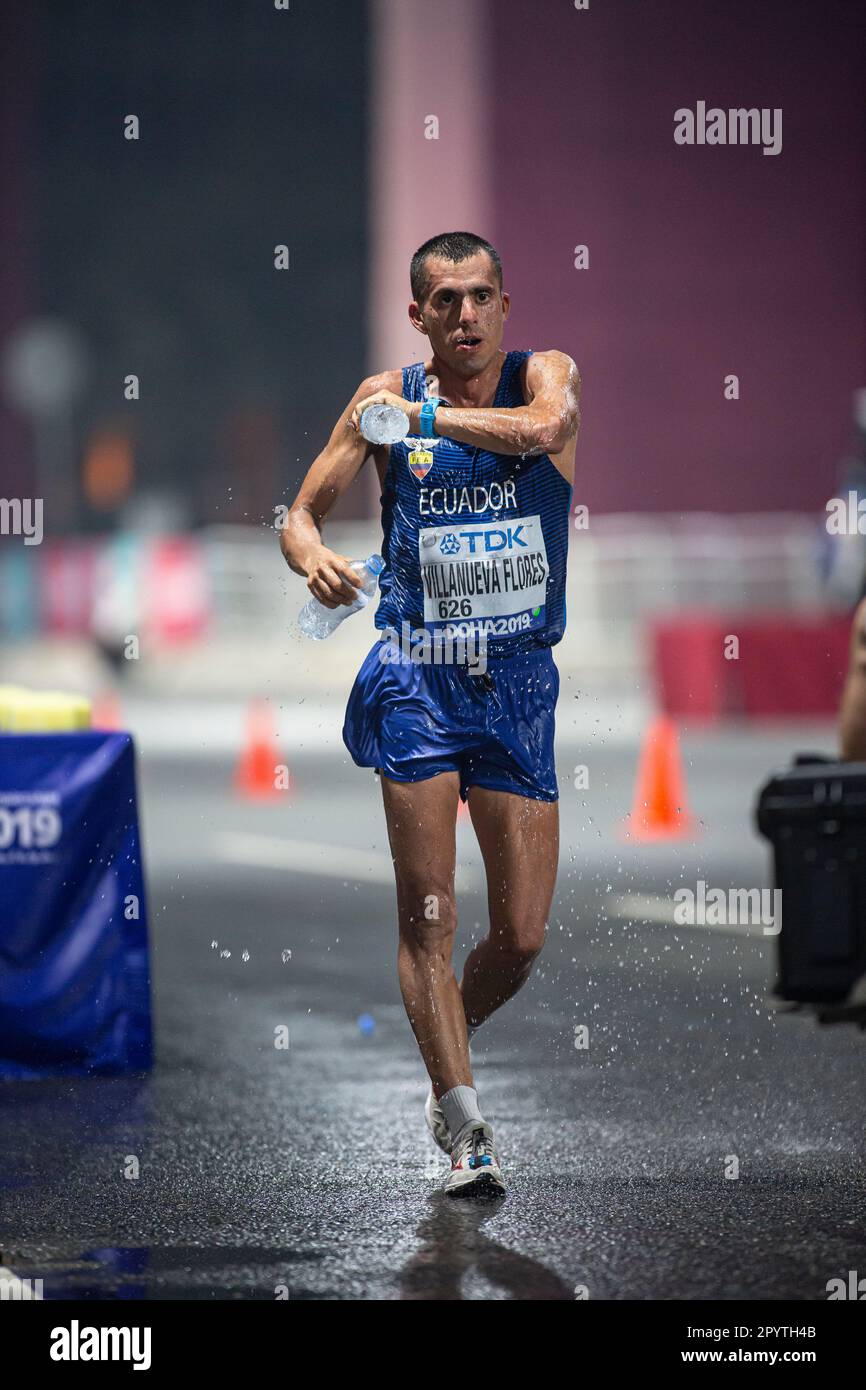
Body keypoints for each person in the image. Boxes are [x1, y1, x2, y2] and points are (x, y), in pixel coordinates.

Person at [280, 231, 580, 1198]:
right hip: (417, 674)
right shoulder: (380, 398)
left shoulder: (544, 377)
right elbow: (300, 512)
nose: (465, 314)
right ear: (417, 315)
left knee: (521, 937)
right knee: (430, 917)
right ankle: (463, 1120)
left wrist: (424, 420)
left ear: (505, 305)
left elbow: (544, 432)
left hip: (517, 682)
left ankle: (445, 1037)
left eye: (481, 296)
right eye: (444, 300)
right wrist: (311, 556)